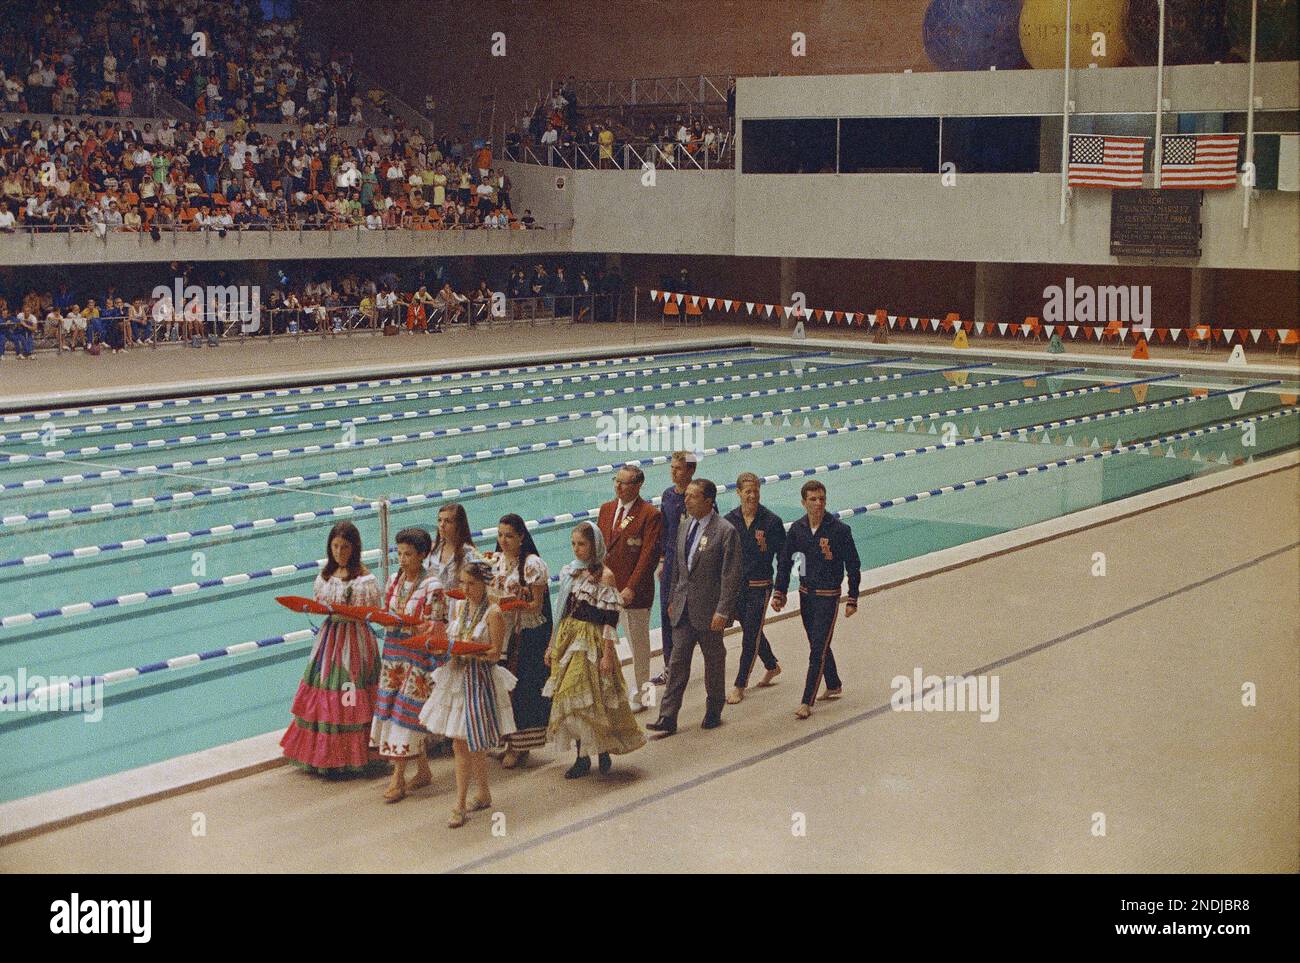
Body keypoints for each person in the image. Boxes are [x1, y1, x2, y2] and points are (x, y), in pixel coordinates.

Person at [418, 559, 516, 828]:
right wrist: (444, 649)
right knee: (469, 743)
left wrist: (470, 651)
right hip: (457, 677)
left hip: (478, 681)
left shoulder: (493, 614)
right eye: (463, 582)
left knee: (464, 743)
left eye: (471, 583)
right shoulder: (459, 607)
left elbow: (496, 653)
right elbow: (452, 638)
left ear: (484, 583)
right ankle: (483, 793)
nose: (466, 588)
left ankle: (459, 805)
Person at [280, 521, 382, 776]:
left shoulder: (365, 580)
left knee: (349, 693)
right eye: (335, 546)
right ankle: (327, 755)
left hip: (354, 641)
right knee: (327, 691)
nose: (339, 552)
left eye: (344, 547)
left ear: (354, 548)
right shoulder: (325, 576)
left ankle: (353, 756)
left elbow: (373, 611)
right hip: (329, 641)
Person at [543, 522, 645, 777]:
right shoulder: (569, 572)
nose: (577, 549)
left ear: (594, 545)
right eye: (574, 544)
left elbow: (610, 620)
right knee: (571, 700)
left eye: (582, 544)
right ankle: (583, 755)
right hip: (569, 637)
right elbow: (561, 612)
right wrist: (552, 644)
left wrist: (608, 654)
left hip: (592, 640)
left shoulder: (605, 576)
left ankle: (599, 750)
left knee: (593, 698)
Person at [647, 478, 742, 735]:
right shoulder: (684, 526)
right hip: (683, 608)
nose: (686, 500)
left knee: (713, 661)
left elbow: (730, 575)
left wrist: (723, 611)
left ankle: (714, 709)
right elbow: (678, 569)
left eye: (692, 496)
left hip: (710, 611)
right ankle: (667, 717)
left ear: (708, 501)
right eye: (686, 495)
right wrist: (671, 601)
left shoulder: (725, 531)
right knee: (677, 663)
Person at [772, 480, 861, 719]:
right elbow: (785, 562)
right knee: (817, 644)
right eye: (813, 499)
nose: (818, 504)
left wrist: (853, 597)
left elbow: (853, 565)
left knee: (817, 649)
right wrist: (779, 592)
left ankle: (806, 701)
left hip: (828, 597)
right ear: (803, 502)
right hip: (805, 595)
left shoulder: (839, 530)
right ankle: (833, 684)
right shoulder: (797, 530)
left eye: (822, 499)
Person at [371, 527, 442, 802]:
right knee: (393, 711)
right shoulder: (393, 580)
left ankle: (397, 779)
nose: (402, 559)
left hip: (417, 657)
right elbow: (388, 611)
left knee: (404, 714)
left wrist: (411, 626)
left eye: (408, 554)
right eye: (399, 553)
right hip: (393, 655)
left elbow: (436, 625)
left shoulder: (432, 585)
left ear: (422, 555)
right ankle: (423, 771)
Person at [597, 465, 662, 712]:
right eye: (616, 481)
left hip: (634, 593)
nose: (618, 486)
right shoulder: (606, 509)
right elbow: (599, 549)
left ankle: (645, 697)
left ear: (637, 486)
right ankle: (612, 691)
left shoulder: (649, 514)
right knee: (604, 643)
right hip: (606, 591)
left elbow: (648, 556)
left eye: (624, 483)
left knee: (639, 647)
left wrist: (631, 587)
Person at [490, 514, 552, 768]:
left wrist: (513, 604)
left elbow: (537, 606)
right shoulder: (495, 561)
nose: (503, 541)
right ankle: (505, 740)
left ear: (522, 537)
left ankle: (520, 746)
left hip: (524, 635)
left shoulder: (532, 564)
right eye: (500, 535)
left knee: (522, 689)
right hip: (500, 632)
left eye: (509, 536)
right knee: (502, 689)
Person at [724, 473, 786, 704]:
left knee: (750, 635)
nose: (752, 495)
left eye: (755, 491)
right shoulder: (729, 520)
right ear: (738, 492)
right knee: (752, 628)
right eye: (747, 491)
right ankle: (771, 665)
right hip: (735, 587)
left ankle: (740, 684)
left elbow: (784, 559)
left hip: (760, 586)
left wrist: (779, 591)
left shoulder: (771, 522)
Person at [651, 451, 697, 687]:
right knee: (666, 614)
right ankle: (670, 667)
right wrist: (661, 560)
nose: (673, 472)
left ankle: (681, 664)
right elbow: (664, 530)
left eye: (678, 468)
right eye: (672, 467)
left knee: (688, 617)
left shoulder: (699, 495)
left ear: (690, 471)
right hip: (670, 563)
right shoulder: (668, 496)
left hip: (690, 564)